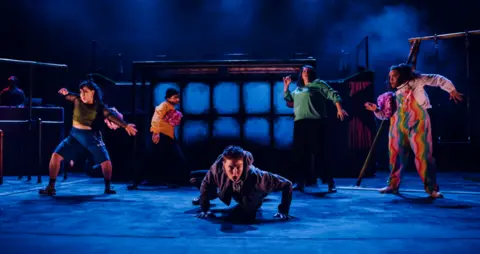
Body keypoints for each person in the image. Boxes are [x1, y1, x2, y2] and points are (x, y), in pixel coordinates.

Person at [364, 63, 463, 198]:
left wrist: (451, 89)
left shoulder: (417, 81)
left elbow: (437, 79)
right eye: (390, 77)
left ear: (403, 75)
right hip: (397, 126)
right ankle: (393, 185)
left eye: (394, 76)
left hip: (418, 123)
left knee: (423, 155)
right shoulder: (391, 95)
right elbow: (386, 115)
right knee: (395, 156)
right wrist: (375, 109)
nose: (391, 79)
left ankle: (431, 189)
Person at [39, 80, 137, 196]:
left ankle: (108, 186)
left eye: (85, 92)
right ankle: (51, 187)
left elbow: (110, 116)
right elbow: (68, 96)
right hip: (74, 136)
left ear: (92, 92)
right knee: (55, 156)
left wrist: (125, 125)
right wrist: (65, 93)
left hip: (91, 137)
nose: (82, 95)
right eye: (81, 92)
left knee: (105, 161)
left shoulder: (98, 107)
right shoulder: (77, 100)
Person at [283, 65, 348, 192]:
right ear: (301, 74)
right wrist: (286, 87)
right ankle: (300, 182)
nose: (306, 73)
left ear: (312, 73)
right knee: (300, 154)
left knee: (321, 153)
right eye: (304, 71)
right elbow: (289, 100)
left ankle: (330, 182)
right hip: (300, 124)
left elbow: (332, 93)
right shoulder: (298, 89)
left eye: (308, 71)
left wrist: (339, 108)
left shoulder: (318, 84)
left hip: (316, 123)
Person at [196, 146, 293, 222]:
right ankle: (209, 195)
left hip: (253, 191)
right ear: (223, 164)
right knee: (195, 178)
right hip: (229, 188)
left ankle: (258, 199)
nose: (235, 173)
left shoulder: (256, 176)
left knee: (243, 213)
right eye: (231, 168)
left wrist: (283, 210)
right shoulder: (216, 168)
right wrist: (205, 208)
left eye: (238, 167)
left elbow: (287, 184)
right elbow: (206, 184)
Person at [127, 88, 187, 190]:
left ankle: (170, 180)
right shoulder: (163, 106)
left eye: (178, 97)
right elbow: (156, 118)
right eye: (175, 97)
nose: (178, 99)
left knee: (175, 158)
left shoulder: (171, 108)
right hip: (161, 136)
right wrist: (156, 132)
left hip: (169, 137)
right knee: (151, 158)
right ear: (168, 98)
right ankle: (136, 181)